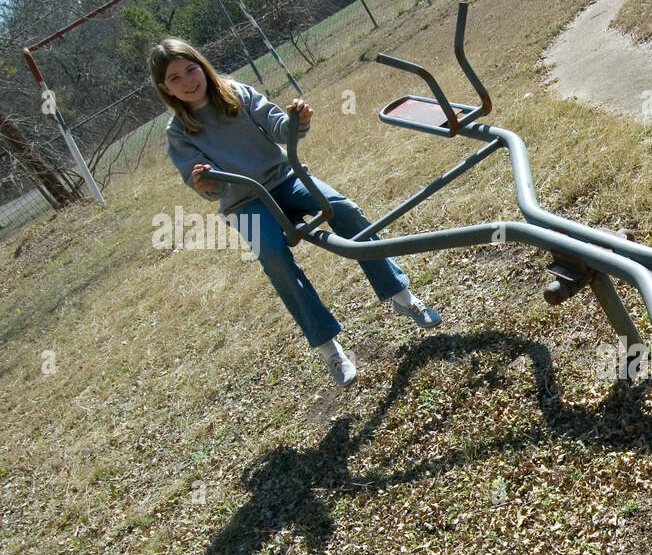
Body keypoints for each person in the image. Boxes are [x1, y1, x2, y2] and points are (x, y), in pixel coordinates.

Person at [150, 37, 442, 387]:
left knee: (344, 210)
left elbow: (279, 128)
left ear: (202, 65)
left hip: (284, 178)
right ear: (164, 88)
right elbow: (209, 188)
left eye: (190, 69)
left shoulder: (235, 94)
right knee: (273, 254)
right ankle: (330, 350)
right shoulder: (179, 133)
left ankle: (401, 295)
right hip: (245, 202)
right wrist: (204, 183)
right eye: (175, 78)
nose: (188, 82)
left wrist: (296, 120)